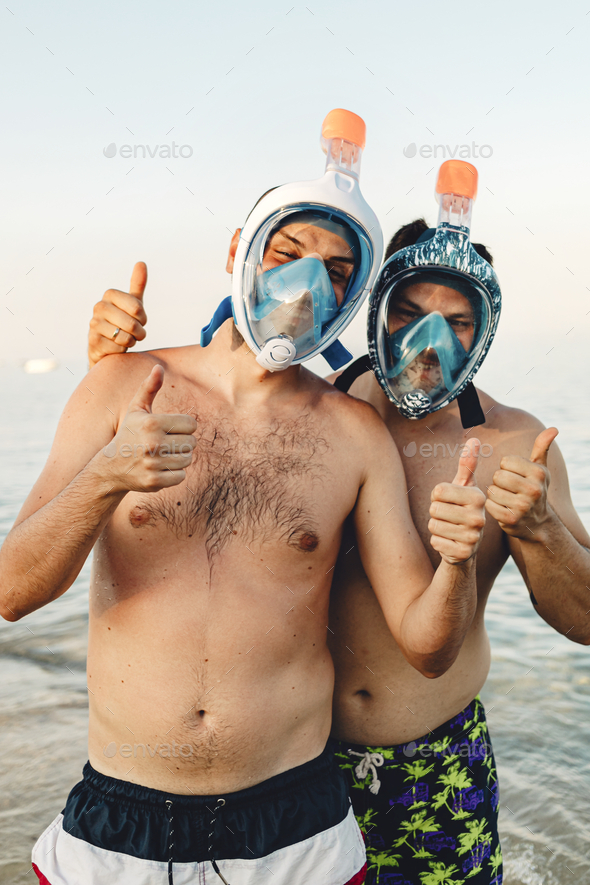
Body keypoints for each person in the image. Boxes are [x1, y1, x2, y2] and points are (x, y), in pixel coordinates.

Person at [0, 113, 487, 885]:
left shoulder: (354, 434)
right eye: (288, 255)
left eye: (335, 270)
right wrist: (105, 476)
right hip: (119, 820)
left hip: (298, 831)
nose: (305, 283)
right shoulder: (122, 383)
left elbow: (426, 647)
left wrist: (456, 560)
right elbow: (12, 592)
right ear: (240, 252)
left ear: (353, 291)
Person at [88, 158, 590, 885]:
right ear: (371, 307)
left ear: (485, 330)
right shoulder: (318, 417)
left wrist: (539, 529)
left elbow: (585, 621)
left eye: (457, 322)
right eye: (408, 313)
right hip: (297, 772)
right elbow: (215, 403)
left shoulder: (517, 444)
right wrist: (108, 372)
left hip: (435, 763)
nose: (429, 341)